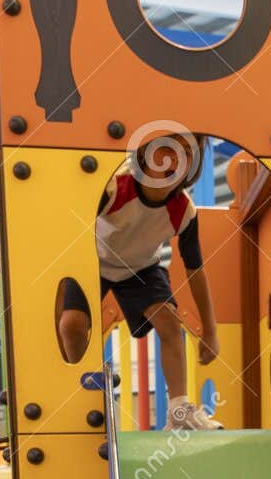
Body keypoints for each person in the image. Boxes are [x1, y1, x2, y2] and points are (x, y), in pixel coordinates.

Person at [57, 125, 223, 431]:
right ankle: (80, 395)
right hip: (94, 262)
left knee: (170, 323)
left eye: (187, 153)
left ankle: (179, 411)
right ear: (145, 152)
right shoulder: (115, 188)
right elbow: (73, 226)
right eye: (167, 148)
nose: (175, 158)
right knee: (72, 324)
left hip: (140, 268)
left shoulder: (184, 210)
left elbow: (195, 270)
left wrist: (210, 332)